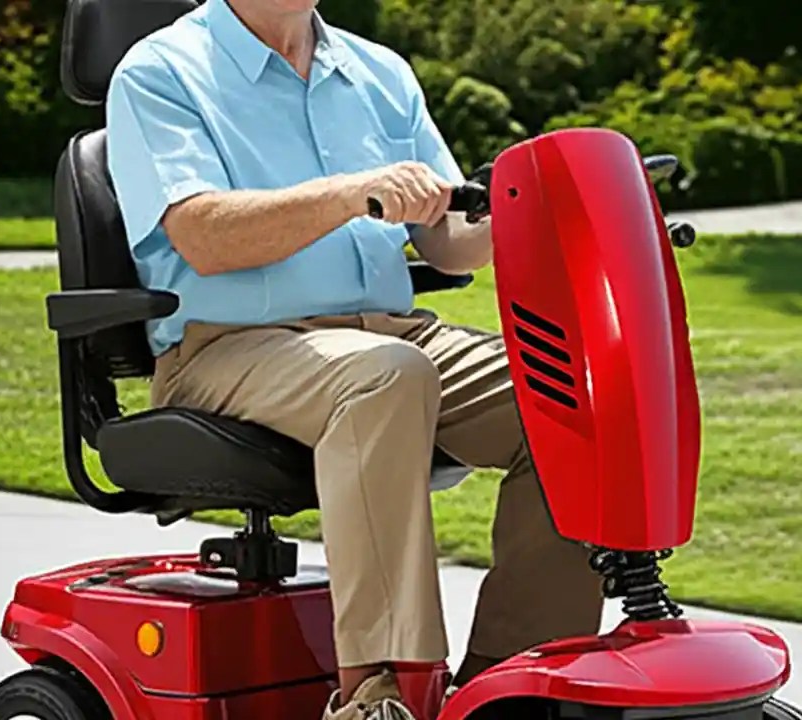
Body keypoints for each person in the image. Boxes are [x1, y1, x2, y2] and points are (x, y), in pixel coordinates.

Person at [104, 1, 602, 717]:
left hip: (387, 335)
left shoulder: (377, 72)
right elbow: (204, 237)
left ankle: (513, 685)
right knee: (385, 378)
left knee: (569, 394)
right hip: (227, 348)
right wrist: (349, 196)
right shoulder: (160, 72)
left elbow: (449, 240)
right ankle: (380, 692)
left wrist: (529, 203)